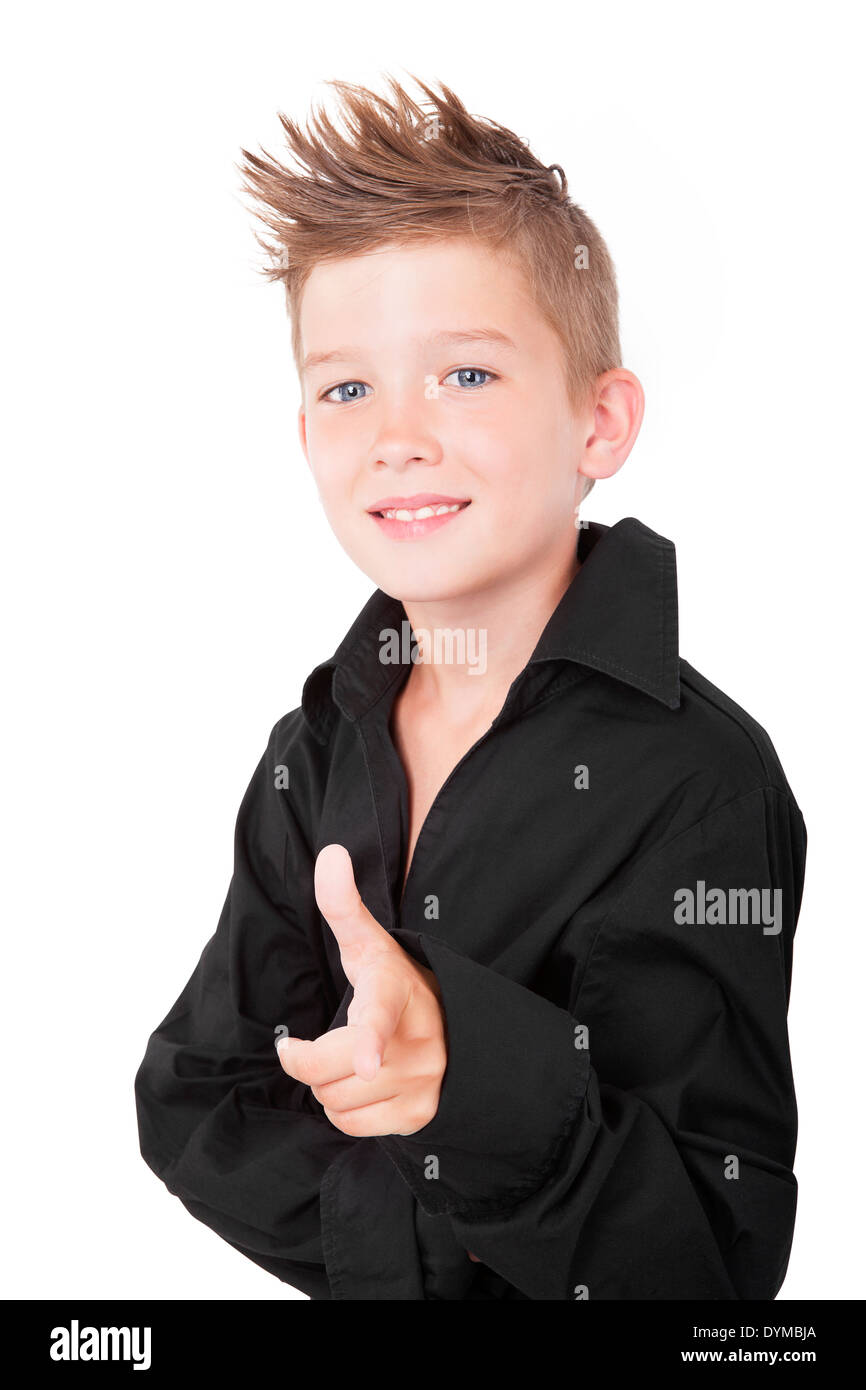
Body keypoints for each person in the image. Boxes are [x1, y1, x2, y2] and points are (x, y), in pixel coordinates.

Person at [134, 74, 807, 1300]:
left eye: (465, 375)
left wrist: (464, 1084)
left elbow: (711, 1267)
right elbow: (192, 1099)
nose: (398, 433)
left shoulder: (698, 785)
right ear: (305, 439)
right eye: (348, 388)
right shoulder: (316, 748)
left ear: (597, 424)